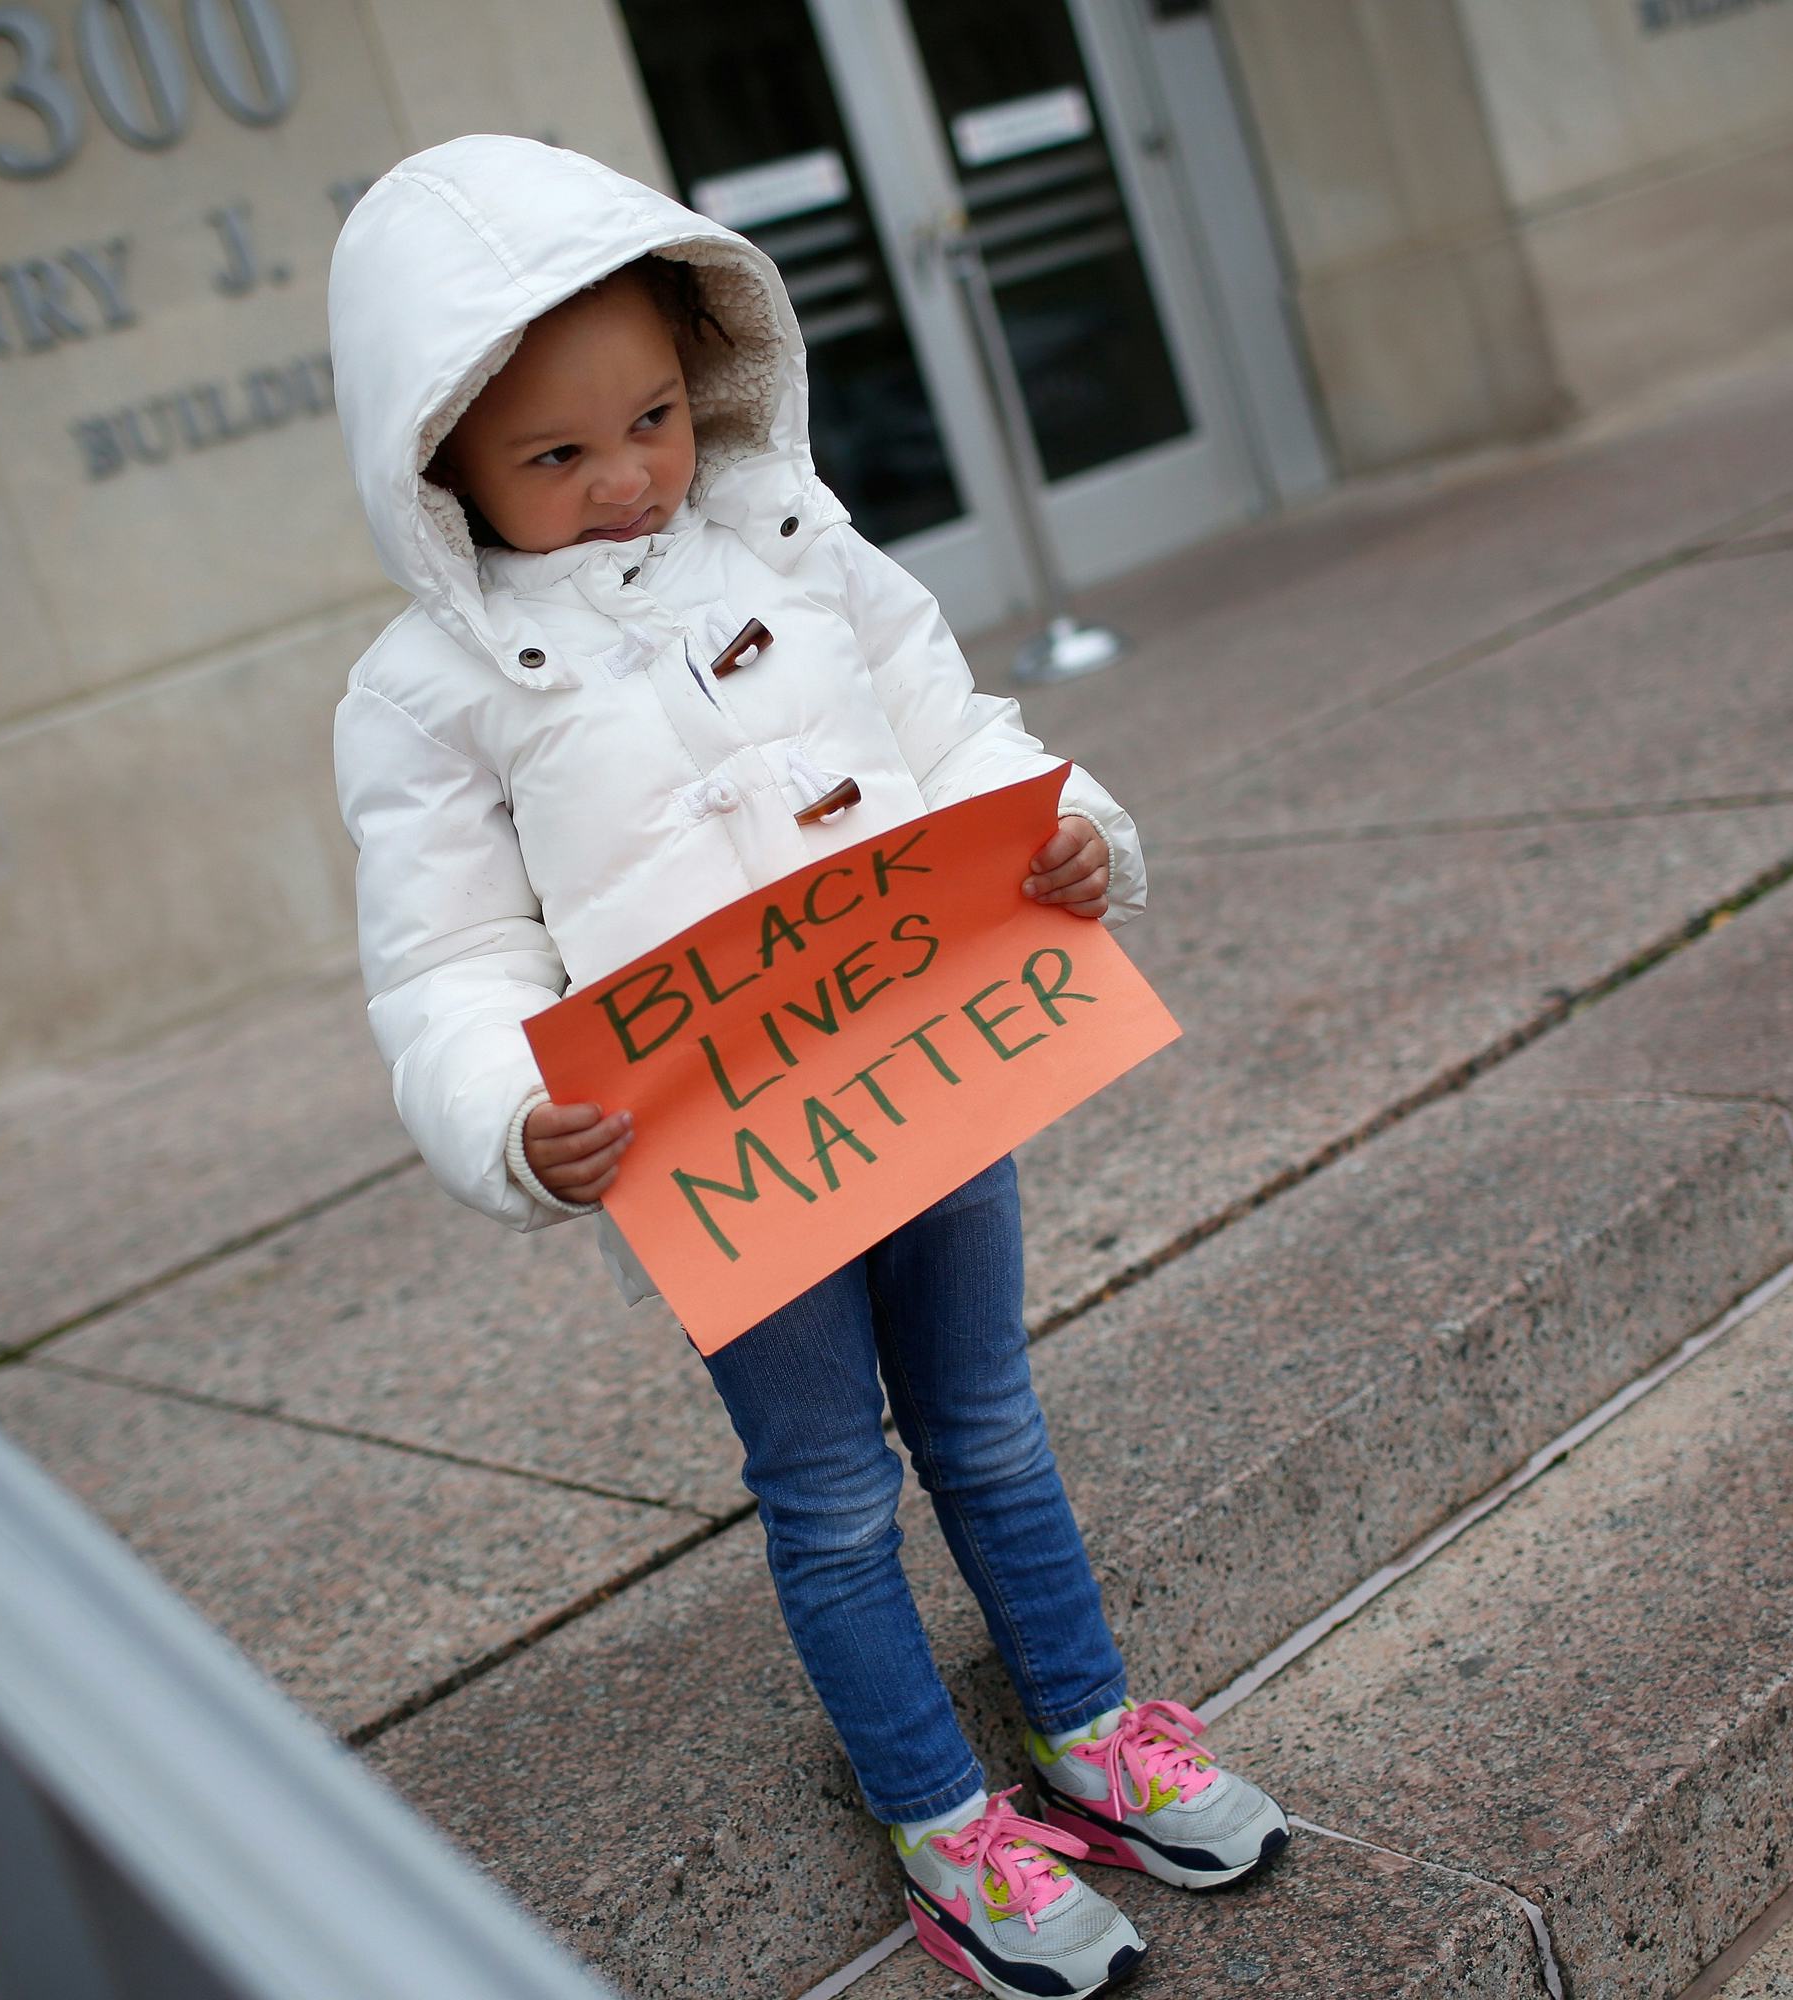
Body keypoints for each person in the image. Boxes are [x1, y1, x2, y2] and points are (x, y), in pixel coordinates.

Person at [329, 136, 1288, 1999]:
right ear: (435, 466)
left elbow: (949, 727)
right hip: (720, 1152)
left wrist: (1063, 826)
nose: (625, 482)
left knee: (992, 1420)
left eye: (657, 419)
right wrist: (511, 1122)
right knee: (832, 1492)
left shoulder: (796, 538)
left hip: (925, 1070)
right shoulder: (425, 692)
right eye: (556, 456)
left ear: (712, 379)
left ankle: (1087, 1728)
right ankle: (943, 1822)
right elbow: (447, 958)